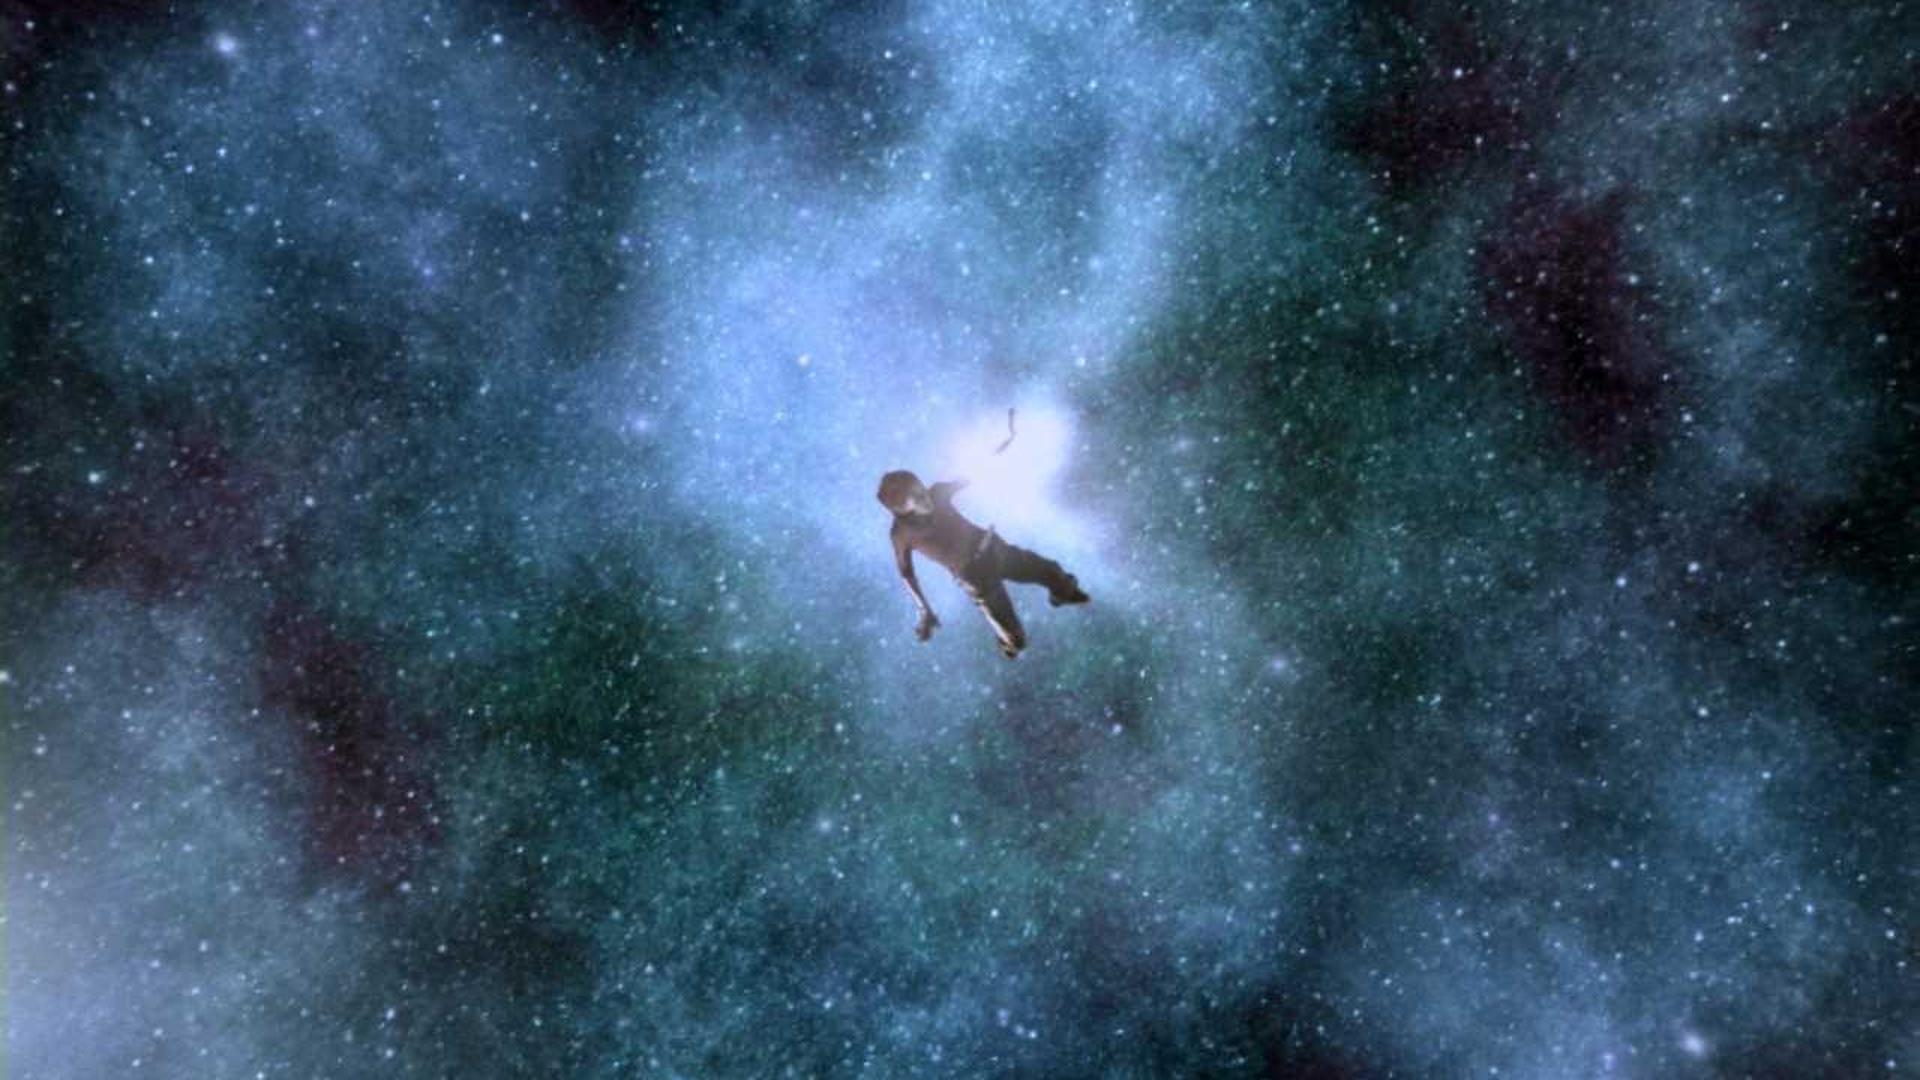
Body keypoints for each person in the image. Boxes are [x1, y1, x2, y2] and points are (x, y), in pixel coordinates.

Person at [876, 469, 1089, 659]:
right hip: (976, 578)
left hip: (995, 550)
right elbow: (906, 574)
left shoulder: (938, 492)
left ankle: (1062, 594)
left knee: (1051, 571)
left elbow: (971, 475)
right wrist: (924, 610)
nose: (926, 499)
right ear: (903, 511)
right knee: (1016, 640)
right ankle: (1010, 644)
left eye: (922, 490)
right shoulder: (901, 534)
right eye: (917, 500)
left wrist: (990, 458)